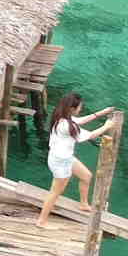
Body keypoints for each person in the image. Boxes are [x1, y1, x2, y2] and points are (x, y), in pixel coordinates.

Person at [36, 92, 116, 226]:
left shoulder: (60, 116)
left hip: (62, 157)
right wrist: (106, 127)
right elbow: (90, 135)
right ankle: (41, 221)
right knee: (55, 192)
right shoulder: (68, 126)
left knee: (86, 176)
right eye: (80, 107)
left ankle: (83, 204)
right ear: (72, 109)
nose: (81, 109)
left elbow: (81, 120)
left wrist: (101, 113)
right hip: (60, 162)